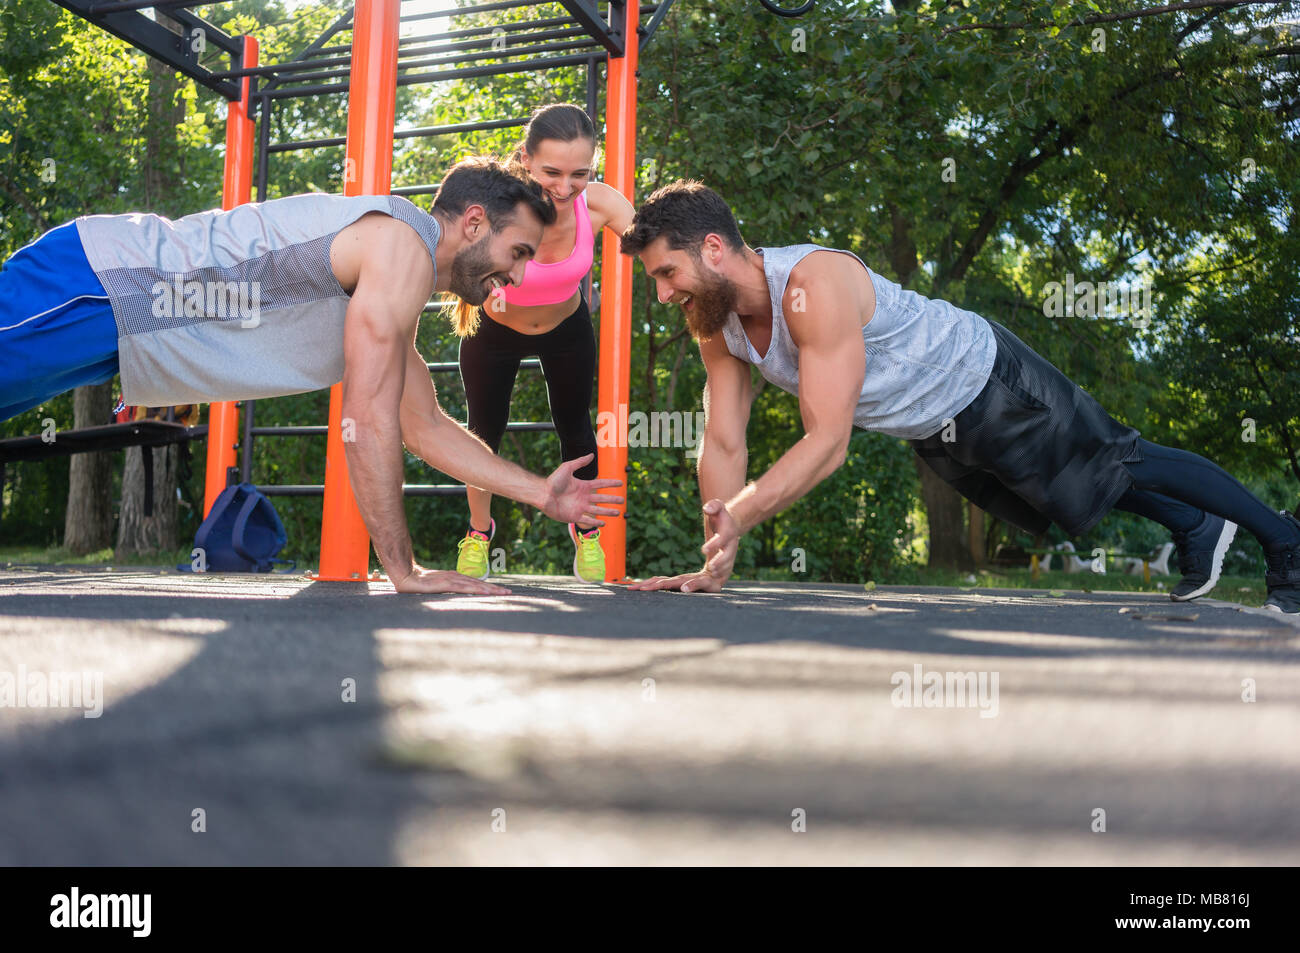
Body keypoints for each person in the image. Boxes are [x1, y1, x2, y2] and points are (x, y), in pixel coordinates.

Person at [620, 180, 1300, 614]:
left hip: (987, 377)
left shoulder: (811, 282)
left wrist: (742, 512)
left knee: (1123, 457)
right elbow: (725, 437)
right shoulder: (717, 322)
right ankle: (1198, 525)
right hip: (937, 428)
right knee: (1080, 488)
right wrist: (719, 550)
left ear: (714, 247)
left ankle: (1285, 544)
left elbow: (827, 440)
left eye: (667, 272)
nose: (663, 292)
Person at [0, 156, 623, 595]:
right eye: (518, 253)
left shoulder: (396, 282)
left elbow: (425, 427)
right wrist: (403, 570)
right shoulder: (400, 245)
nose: (518, 278)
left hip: (119, 331)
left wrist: (541, 492)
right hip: (105, 282)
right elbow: (365, 419)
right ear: (474, 223)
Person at [445, 105, 634, 583]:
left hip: (566, 328)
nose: (565, 187)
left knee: (576, 428)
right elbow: (446, 248)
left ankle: (585, 530)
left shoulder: (599, 205)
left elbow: (657, 242)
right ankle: (478, 532)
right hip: (494, 330)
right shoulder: (501, 206)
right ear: (526, 160)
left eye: (579, 173)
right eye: (551, 171)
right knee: (482, 433)